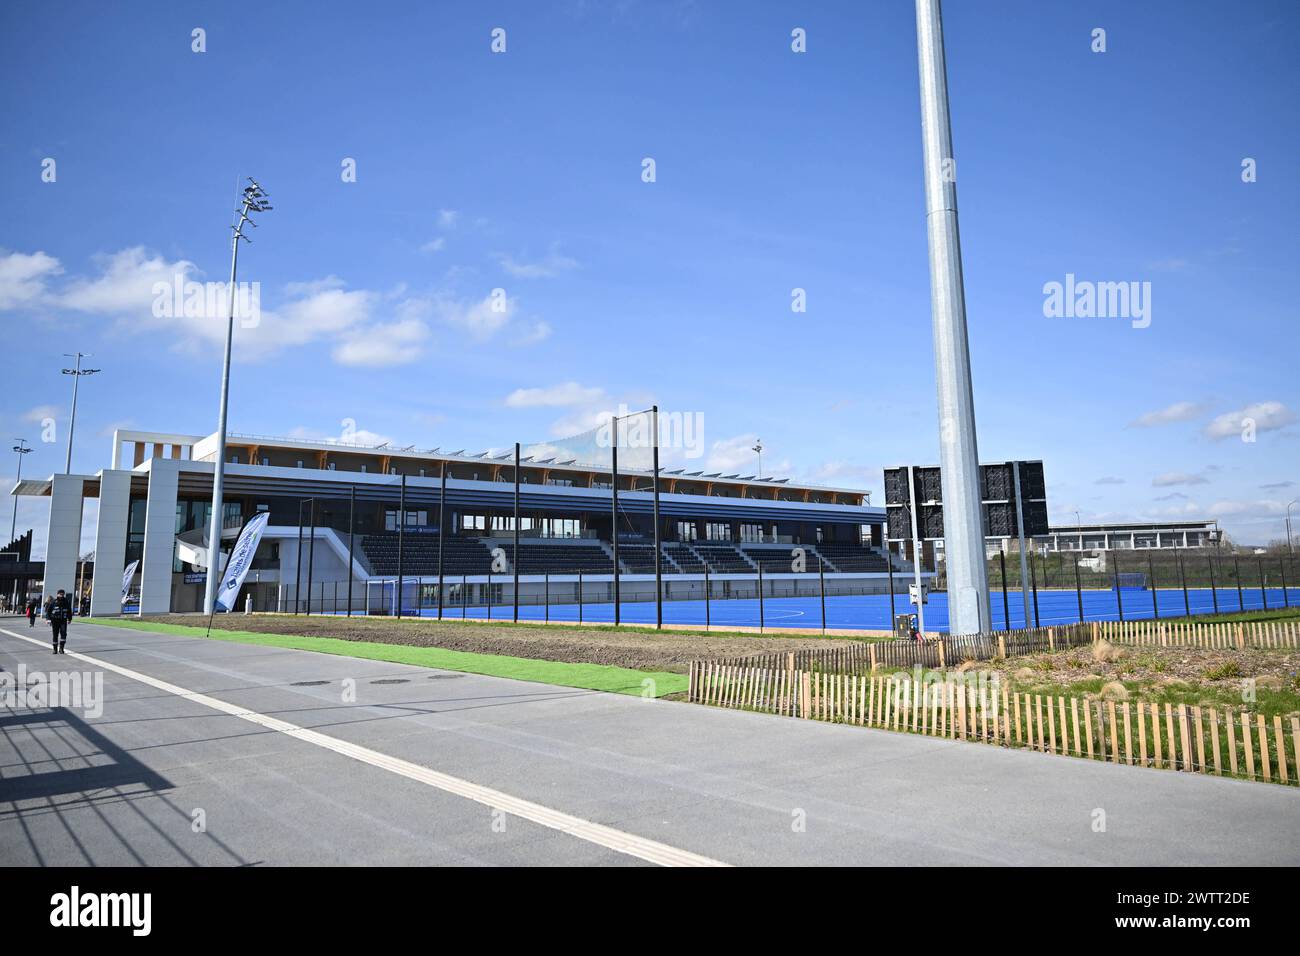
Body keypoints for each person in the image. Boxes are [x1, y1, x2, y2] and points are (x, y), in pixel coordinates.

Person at [47, 589, 72, 654]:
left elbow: (69, 611)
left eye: (63, 594)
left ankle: (61, 648)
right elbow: (48, 612)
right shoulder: (53, 602)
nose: (61, 595)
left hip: (63, 621)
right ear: (57, 594)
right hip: (55, 620)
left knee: (63, 634)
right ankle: (55, 649)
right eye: (60, 594)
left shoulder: (66, 602)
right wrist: (48, 619)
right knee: (55, 635)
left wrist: (69, 619)